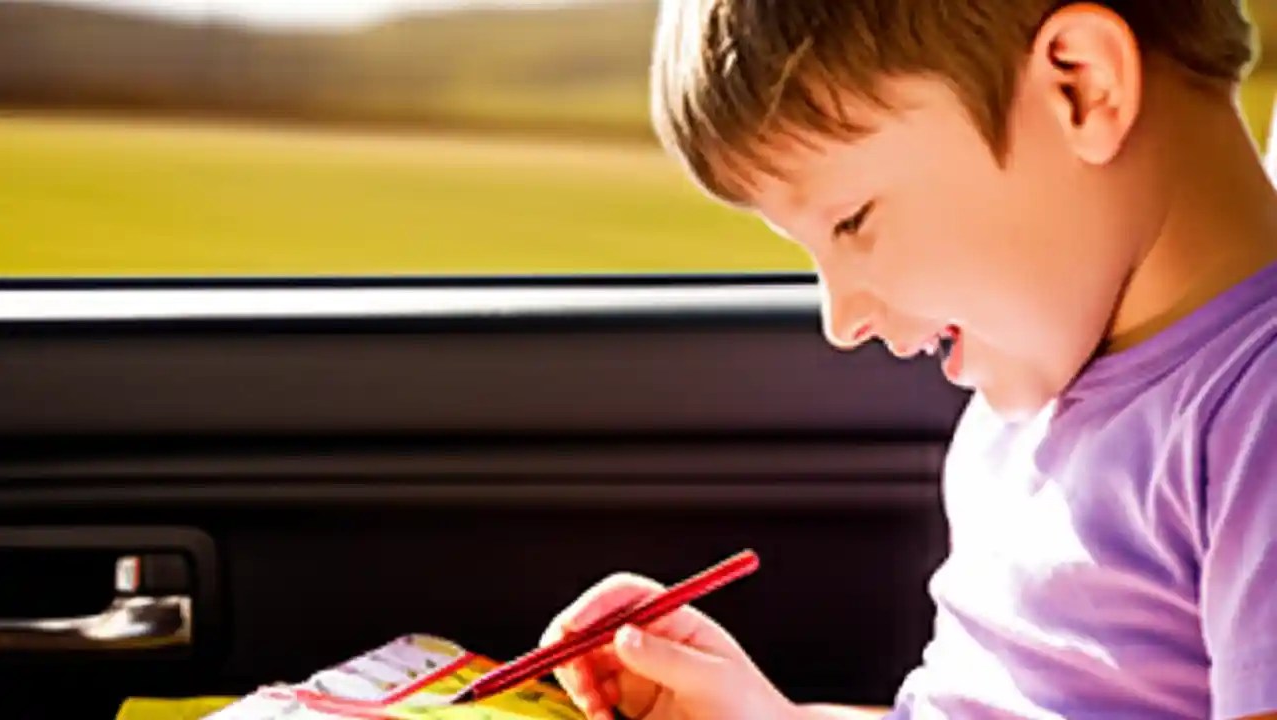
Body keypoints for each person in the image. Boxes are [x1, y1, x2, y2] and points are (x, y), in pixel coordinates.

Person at [540, 1, 1277, 718]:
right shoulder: (1015, 411)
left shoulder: (1255, 423)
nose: (841, 321)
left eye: (851, 221)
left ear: (1081, 87)